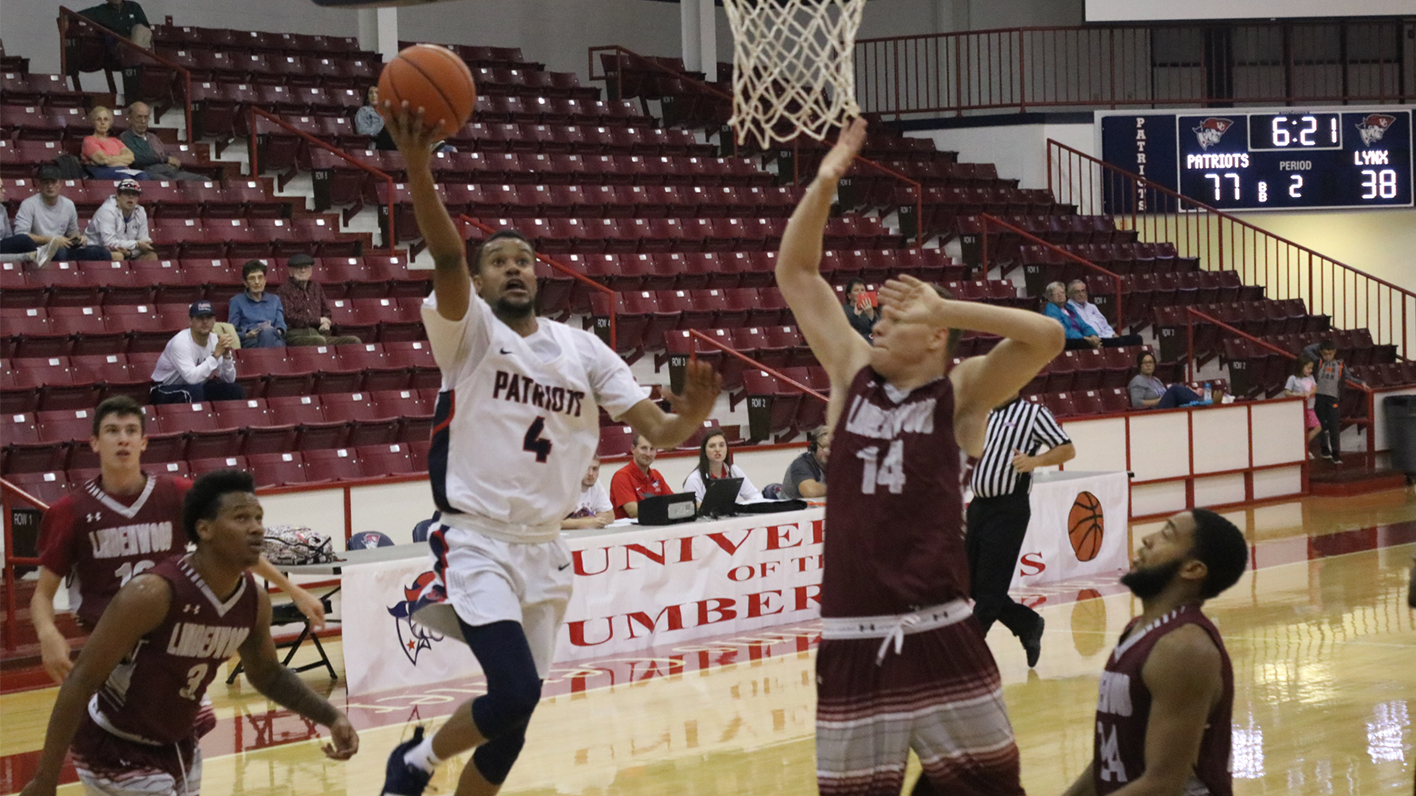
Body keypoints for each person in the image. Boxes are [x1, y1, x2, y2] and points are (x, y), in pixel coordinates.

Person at [377, 99, 720, 796]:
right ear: (479, 280)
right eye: (497, 261)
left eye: (524, 260)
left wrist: (696, 415)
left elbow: (656, 433)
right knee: (510, 695)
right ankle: (413, 763)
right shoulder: (468, 335)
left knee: (517, 721)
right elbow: (445, 252)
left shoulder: (583, 348)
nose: (513, 269)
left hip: (544, 545)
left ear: (540, 274)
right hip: (477, 539)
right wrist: (418, 167)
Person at [776, 118, 1064, 795]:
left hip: (941, 626)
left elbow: (1046, 337)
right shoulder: (850, 375)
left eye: (897, 317)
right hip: (853, 631)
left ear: (937, 338)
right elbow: (796, 271)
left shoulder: (959, 393)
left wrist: (950, 305)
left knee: (994, 790)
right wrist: (823, 184)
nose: (877, 319)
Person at [17, 469, 358, 796]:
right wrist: (46, 780)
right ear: (204, 530)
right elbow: (80, 681)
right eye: (241, 518)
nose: (256, 529)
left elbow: (268, 674)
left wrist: (331, 716)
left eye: (258, 518)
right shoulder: (152, 594)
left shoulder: (254, 599)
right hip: (115, 744)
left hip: (179, 745)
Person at [31, 396, 327, 684]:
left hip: (175, 645)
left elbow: (234, 551)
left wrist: (294, 591)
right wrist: (47, 632)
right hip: (108, 652)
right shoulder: (69, 512)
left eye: (131, 431)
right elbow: (43, 594)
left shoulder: (177, 494)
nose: (123, 439)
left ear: (144, 442)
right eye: (112, 431)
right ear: (94, 443)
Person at [1060, 508, 1247, 796]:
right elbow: (1112, 757)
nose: (1148, 539)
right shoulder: (1138, 630)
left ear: (1193, 569)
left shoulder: (1183, 649)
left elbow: (1163, 783)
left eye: (1166, 535)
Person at [968, 393, 1075, 668]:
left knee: (990, 589)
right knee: (969, 583)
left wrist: (1034, 462)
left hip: (1008, 509)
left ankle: (966, 657)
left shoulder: (1033, 413)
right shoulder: (989, 411)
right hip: (979, 506)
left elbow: (1067, 449)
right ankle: (1027, 623)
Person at [150, 301, 244, 404]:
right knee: (194, 390)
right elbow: (192, 379)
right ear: (190, 321)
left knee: (234, 389)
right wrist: (215, 356)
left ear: (214, 321)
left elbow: (229, 379)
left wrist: (226, 357)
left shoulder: (215, 340)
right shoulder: (180, 342)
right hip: (164, 388)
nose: (204, 322)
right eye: (200, 318)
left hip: (196, 386)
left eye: (208, 318)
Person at [14, 167, 113, 262]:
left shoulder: (68, 204)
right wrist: (52, 240)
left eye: (53, 182)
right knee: (59, 253)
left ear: (60, 183)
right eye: (46, 182)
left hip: (64, 248)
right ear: (39, 185)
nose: (50, 186)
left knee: (101, 252)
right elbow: (21, 236)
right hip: (40, 249)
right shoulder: (28, 204)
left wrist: (78, 239)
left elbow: (73, 232)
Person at [277, 253, 362, 346]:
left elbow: (326, 311)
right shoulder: (284, 290)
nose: (303, 270)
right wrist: (318, 321)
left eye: (306, 267)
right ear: (290, 271)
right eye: (298, 267)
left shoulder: (316, 287)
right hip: (296, 335)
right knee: (319, 341)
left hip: (319, 333)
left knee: (354, 341)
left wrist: (326, 323)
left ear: (311, 270)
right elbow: (289, 316)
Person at [1301, 339, 1362, 465]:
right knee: (1321, 425)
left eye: (1330, 353)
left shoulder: (1340, 365)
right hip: (1319, 397)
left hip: (1333, 398)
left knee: (1334, 426)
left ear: (1334, 352)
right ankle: (1324, 449)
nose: (1327, 356)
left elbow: (1349, 377)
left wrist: (1361, 382)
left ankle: (1336, 453)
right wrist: (1321, 345)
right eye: (1324, 354)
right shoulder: (1318, 362)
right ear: (1321, 353)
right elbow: (1307, 349)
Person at [120, 102, 206, 182]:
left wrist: (171, 160)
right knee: (170, 185)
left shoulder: (153, 137)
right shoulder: (126, 137)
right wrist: (166, 159)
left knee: (204, 180)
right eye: (139, 117)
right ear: (130, 118)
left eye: (146, 117)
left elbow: (166, 154)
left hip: (171, 171)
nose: (143, 121)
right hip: (150, 172)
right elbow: (138, 158)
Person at [682, 429, 763, 504]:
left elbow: (755, 496)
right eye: (712, 446)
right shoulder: (694, 479)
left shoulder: (734, 470)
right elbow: (692, 509)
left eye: (721, 445)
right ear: (704, 451)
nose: (717, 449)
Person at [85, 178, 157, 261]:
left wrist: (130, 253)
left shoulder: (140, 211)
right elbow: (109, 243)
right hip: (98, 250)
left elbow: (144, 242)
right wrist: (136, 244)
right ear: (118, 196)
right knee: (118, 256)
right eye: (126, 193)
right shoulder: (107, 210)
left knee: (151, 256)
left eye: (134, 194)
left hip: (127, 250)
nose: (131, 197)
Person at [609, 433, 674, 519]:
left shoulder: (656, 475)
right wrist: (664, 509)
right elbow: (633, 511)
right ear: (632, 449)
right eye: (644, 448)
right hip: (629, 530)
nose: (648, 454)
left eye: (652, 449)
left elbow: (673, 502)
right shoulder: (622, 476)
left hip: (654, 526)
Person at [0, 182, 63, 266]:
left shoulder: (1, 209)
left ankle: (37, 255)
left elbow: (9, 239)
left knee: (59, 253)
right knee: (24, 239)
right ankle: (38, 255)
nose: (4, 191)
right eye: (0, 188)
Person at [1066, 280, 1143, 347]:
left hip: (1107, 337)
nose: (1081, 294)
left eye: (1083, 291)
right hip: (1093, 339)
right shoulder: (1069, 309)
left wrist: (1113, 334)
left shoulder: (1092, 307)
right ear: (1070, 294)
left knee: (1137, 338)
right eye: (1077, 292)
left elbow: (1105, 325)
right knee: (1119, 342)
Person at [228, 260, 287, 348]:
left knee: (269, 334)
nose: (257, 282)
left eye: (260, 277)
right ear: (245, 282)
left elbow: (281, 326)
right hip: (252, 341)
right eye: (252, 278)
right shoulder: (236, 301)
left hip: (274, 337)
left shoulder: (275, 300)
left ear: (265, 280)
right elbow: (231, 331)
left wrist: (273, 332)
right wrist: (246, 335)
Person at [81, 106, 147, 181]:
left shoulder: (115, 141)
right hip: (100, 171)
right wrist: (122, 161)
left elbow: (131, 157)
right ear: (93, 122)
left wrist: (110, 159)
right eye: (99, 119)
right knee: (123, 177)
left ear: (110, 123)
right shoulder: (89, 140)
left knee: (143, 175)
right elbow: (102, 160)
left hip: (122, 169)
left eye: (106, 120)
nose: (102, 123)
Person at [1128, 351, 1203, 410]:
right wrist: (1157, 401)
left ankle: (1201, 399)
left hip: (1166, 405)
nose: (1148, 365)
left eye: (1150, 362)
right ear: (1139, 365)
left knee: (1181, 394)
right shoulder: (1137, 380)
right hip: (1153, 410)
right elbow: (1136, 403)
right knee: (1174, 389)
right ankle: (1201, 399)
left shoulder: (1156, 380)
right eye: (1145, 363)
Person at [1043, 281, 1101, 350]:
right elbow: (1062, 331)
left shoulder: (1069, 307)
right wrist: (1085, 339)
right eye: (1056, 293)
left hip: (1079, 339)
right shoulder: (1050, 310)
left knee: (1106, 342)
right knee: (1085, 344)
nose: (1060, 295)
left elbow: (1083, 324)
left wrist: (1093, 335)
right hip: (1063, 342)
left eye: (1062, 292)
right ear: (1050, 298)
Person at [562, 457, 613, 530]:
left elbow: (610, 515)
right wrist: (585, 522)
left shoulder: (596, 484)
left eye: (595, 469)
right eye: (586, 468)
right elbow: (550, 523)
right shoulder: (563, 486)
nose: (591, 474)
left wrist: (591, 521)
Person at [1283, 356, 1322, 453]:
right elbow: (1287, 392)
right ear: (1301, 367)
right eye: (1308, 368)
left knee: (1317, 427)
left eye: (1311, 368)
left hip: (1310, 407)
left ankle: (1303, 444)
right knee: (1302, 429)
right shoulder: (1293, 378)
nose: (1310, 370)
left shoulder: (1310, 377)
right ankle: (1302, 448)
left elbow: (1315, 388)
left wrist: (1309, 392)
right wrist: (1298, 394)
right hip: (1299, 408)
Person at [79, 0, 153, 48]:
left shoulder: (134, 7)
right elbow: (73, 15)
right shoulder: (100, 11)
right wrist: (66, 19)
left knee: (140, 29)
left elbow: (145, 26)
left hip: (139, 41)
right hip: (119, 46)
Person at [781, 426, 829, 500]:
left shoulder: (841, 463)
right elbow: (810, 491)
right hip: (793, 509)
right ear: (814, 447)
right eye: (825, 447)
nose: (829, 452)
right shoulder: (801, 464)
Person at [354, 85, 395, 150]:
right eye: (370, 93)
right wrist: (381, 128)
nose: (373, 95)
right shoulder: (363, 111)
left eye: (377, 93)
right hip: (376, 142)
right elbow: (363, 132)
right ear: (367, 96)